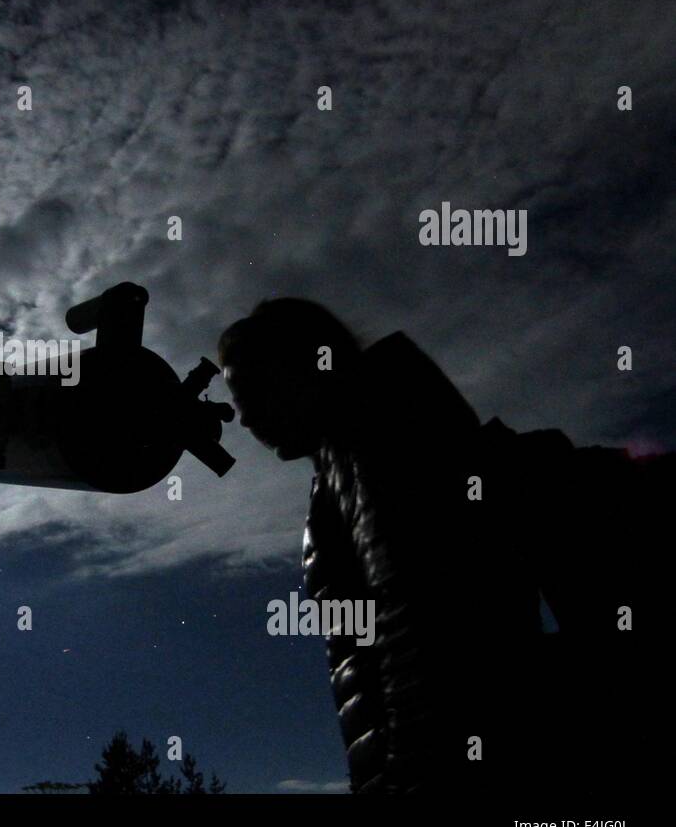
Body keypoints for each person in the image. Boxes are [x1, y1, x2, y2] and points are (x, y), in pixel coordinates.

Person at [218, 298, 648, 795]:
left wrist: (413, 781)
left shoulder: (382, 438)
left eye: (247, 386)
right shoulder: (347, 463)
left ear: (298, 368)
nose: (243, 418)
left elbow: (425, 635)